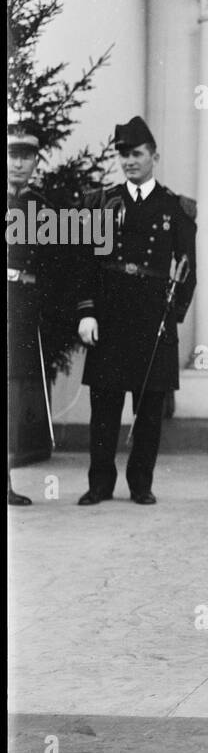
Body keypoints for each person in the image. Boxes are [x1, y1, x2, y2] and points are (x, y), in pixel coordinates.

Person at [75, 117, 196, 505]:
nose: (129, 161)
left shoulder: (175, 208)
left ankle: (141, 484)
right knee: (104, 407)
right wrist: (87, 312)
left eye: (137, 154)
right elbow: (85, 265)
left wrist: (172, 318)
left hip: (153, 319)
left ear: (154, 156)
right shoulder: (100, 203)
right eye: (123, 154)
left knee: (148, 410)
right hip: (109, 316)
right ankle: (99, 484)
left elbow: (188, 269)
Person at [7, 115, 56, 504]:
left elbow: (53, 262)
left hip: (22, 310)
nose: (19, 163)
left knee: (13, 394)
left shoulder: (40, 207)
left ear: (37, 161)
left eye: (27, 155)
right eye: (13, 154)